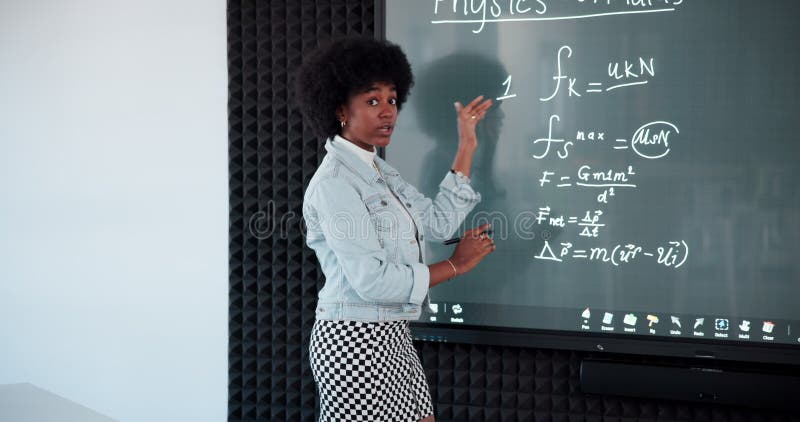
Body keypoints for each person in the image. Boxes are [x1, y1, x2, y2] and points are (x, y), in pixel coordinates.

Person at [295, 36, 495, 422]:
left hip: (393, 336)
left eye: (391, 99)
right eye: (372, 101)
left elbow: (438, 222)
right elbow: (372, 281)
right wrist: (455, 265)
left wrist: (466, 144)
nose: (388, 111)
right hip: (353, 343)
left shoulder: (380, 172)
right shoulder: (335, 183)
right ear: (339, 109)